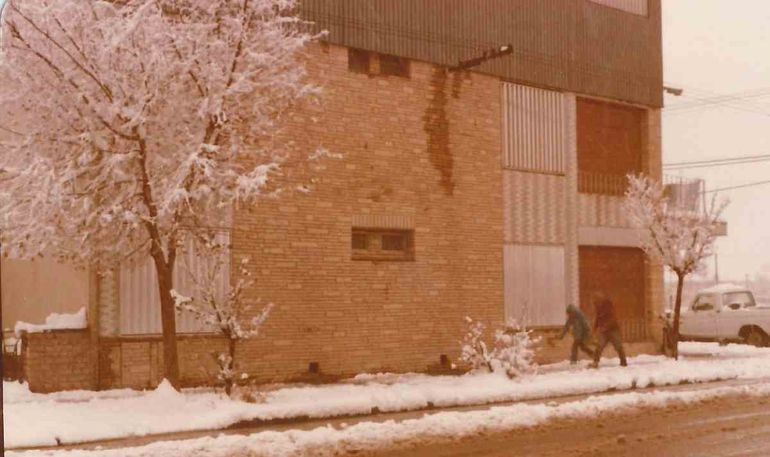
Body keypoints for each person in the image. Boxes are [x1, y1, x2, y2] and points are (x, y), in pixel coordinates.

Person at [591, 293, 628, 368]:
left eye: (596, 301)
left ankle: (623, 362)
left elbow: (613, 319)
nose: (595, 303)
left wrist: (606, 326)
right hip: (604, 331)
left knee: (618, 346)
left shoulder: (609, 307)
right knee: (599, 346)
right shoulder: (598, 308)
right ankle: (595, 362)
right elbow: (597, 319)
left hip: (613, 330)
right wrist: (594, 329)